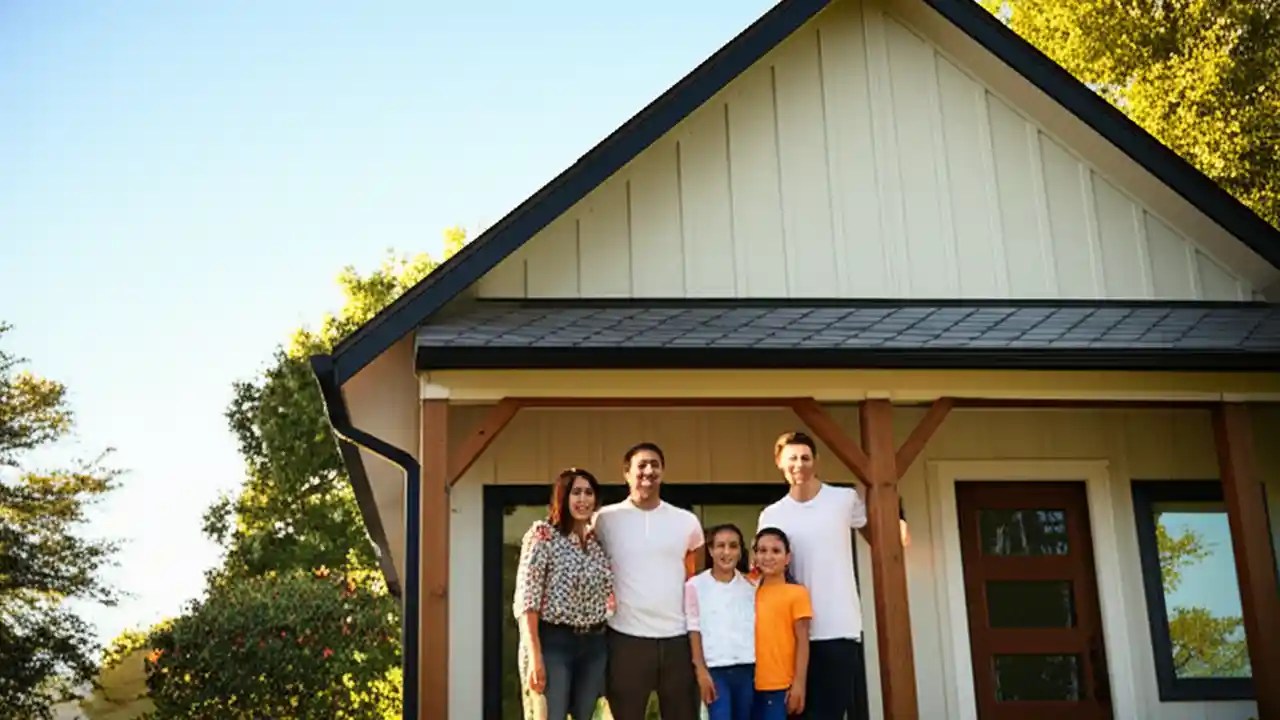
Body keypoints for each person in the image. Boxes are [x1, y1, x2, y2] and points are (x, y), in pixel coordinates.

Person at [757, 432, 867, 720]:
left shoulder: (843, 499)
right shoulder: (771, 515)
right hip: (788, 634)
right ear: (779, 462)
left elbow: (878, 531)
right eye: (792, 458)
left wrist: (900, 526)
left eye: (806, 458)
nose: (799, 464)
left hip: (837, 627)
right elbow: (762, 571)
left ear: (816, 461)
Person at [594, 442, 705, 720]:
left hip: (677, 639)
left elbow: (697, 579)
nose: (648, 470)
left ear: (663, 471)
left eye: (655, 464)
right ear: (626, 473)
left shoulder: (686, 522)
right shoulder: (604, 519)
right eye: (641, 465)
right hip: (625, 638)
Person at [513, 468, 615, 720]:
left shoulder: (596, 543)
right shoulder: (543, 535)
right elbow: (528, 601)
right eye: (576, 492)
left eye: (589, 493)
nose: (583, 500)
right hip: (553, 642)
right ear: (563, 497)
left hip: (594, 644)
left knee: (585, 715)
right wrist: (534, 654)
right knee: (551, 714)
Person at [684, 524, 756, 720]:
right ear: (710, 550)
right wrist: (701, 671)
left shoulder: (751, 587)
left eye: (733, 546)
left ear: (741, 551)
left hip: (747, 668)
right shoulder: (695, 586)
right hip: (715, 671)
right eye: (720, 546)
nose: (726, 552)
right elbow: (694, 629)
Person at [751, 527, 812, 720]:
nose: (768, 556)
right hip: (747, 683)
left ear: (787, 558)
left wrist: (799, 684)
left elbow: (803, 641)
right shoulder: (746, 591)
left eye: (776, 551)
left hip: (780, 686)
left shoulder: (796, 593)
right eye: (762, 550)